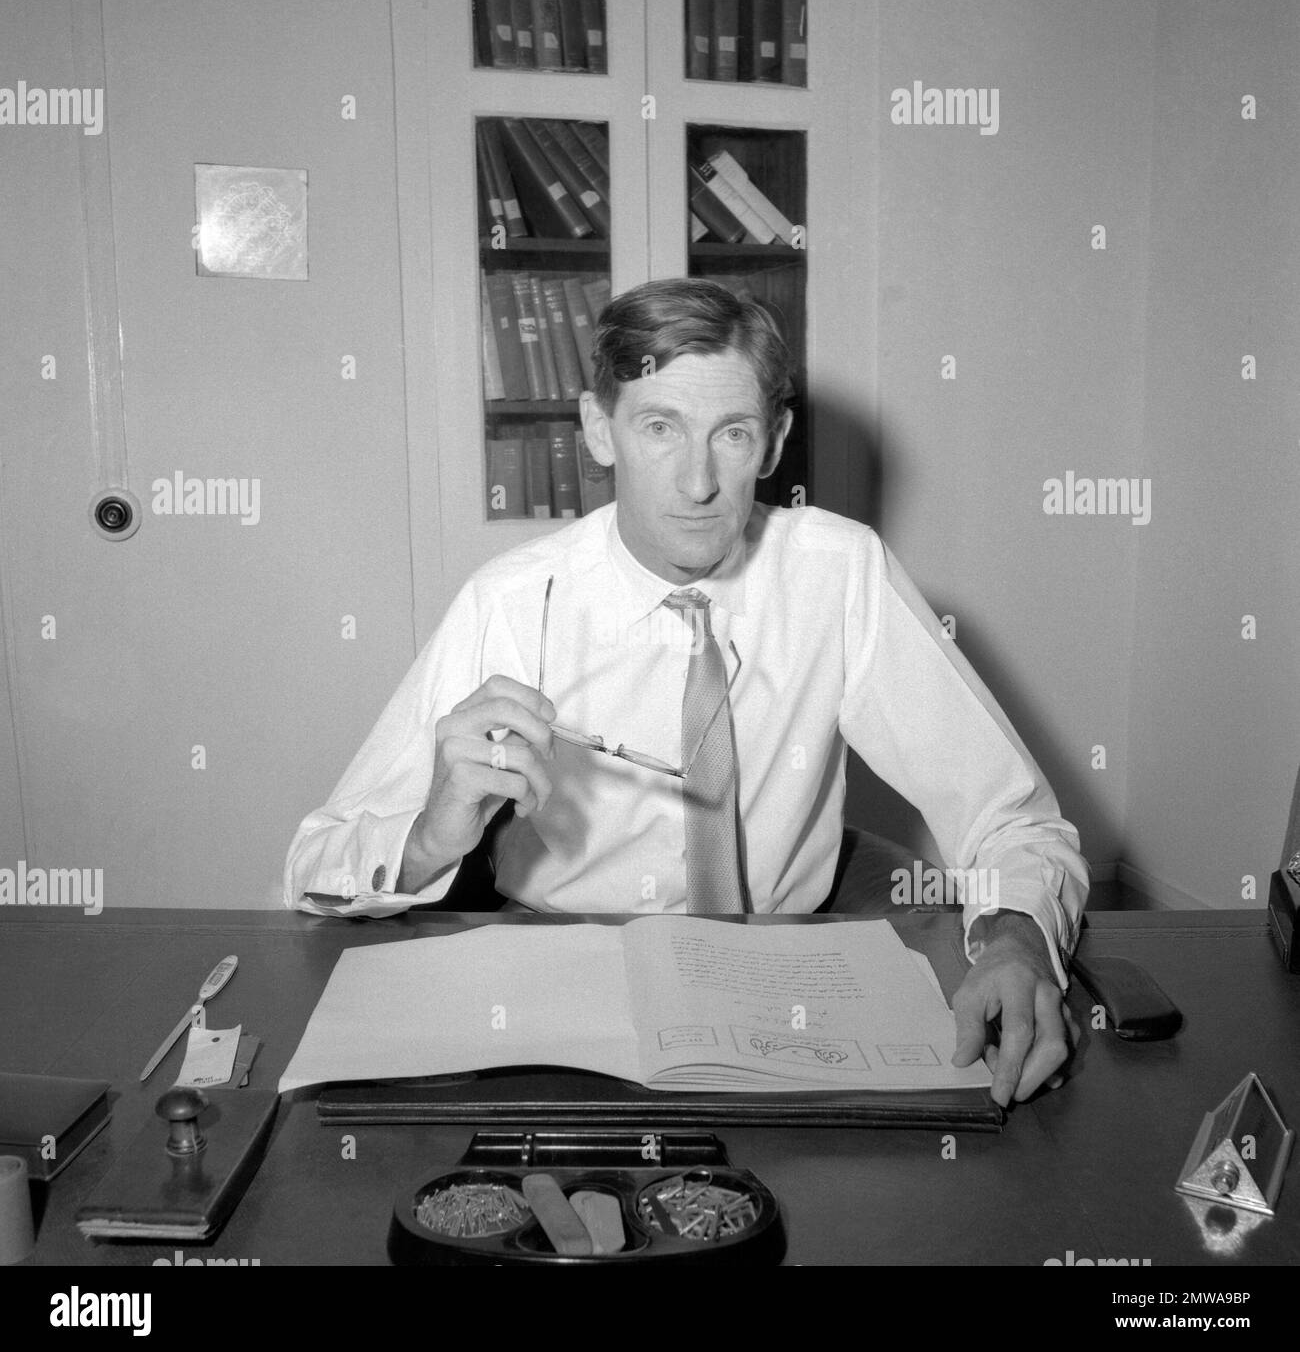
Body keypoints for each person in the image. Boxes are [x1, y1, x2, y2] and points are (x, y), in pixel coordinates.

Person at [284, 278, 1088, 1106]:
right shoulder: (512, 600)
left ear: (773, 443)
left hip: (789, 966)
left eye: (731, 434)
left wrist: (1018, 934)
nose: (698, 482)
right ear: (600, 429)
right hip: (565, 965)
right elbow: (316, 862)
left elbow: (1012, 815)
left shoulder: (841, 572)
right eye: (660, 427)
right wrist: (426, 837)